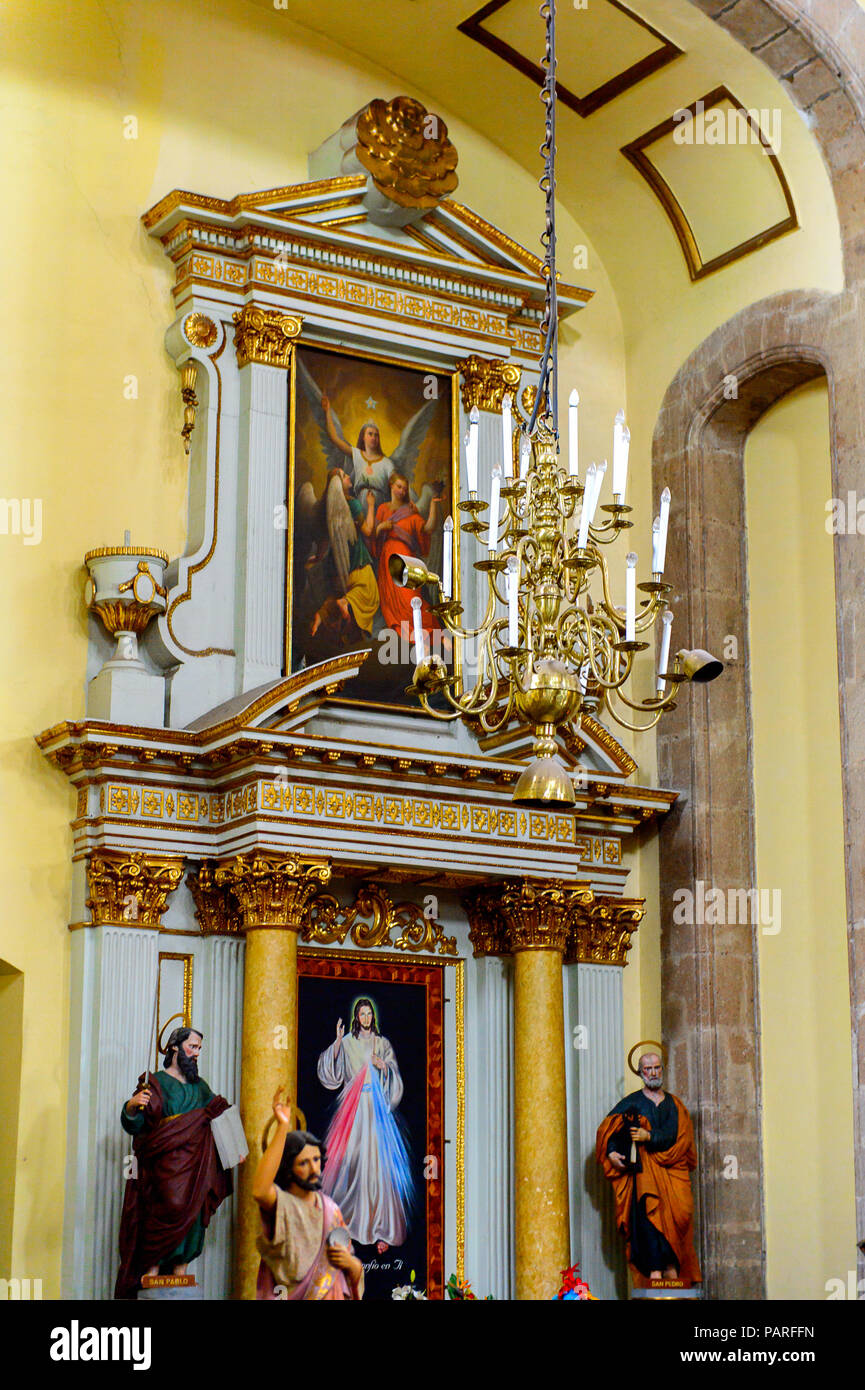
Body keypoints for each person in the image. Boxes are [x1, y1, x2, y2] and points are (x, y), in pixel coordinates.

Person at [115, 1026, 234, 1299]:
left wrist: (233, 1145)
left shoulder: (199, 1086)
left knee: (194, 1212)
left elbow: (219, 1111)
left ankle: (181, 1271)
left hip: (196, 1165)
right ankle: (152, 1270)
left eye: (199, 1049)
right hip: (164, 1164)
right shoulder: (155, 1083)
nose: (196, 1054)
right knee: (166, 1206)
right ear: (174, 1048)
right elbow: (137, 1125)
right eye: (192, 1047)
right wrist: (132, 1106)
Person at [595, 1051, 702, 1289]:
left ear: (662, 1069)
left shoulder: (674, 1104)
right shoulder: (633, 1103)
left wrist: (648, 1135)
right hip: (645, 1176)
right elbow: (610, 1131)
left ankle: (673, 1274)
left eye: (657, 1068)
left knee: (680, 1217)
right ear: (641, 1073)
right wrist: (612, 1153)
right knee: (649, 1222)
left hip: (673, 1173)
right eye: (648, 1069)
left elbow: (677, 1137)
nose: (653, 1073)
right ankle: (654, 1273)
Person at [317, 998, 413, 1254]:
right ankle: (346, 1226)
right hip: (353, 1113)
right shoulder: (348, 1042)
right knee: (351, 1163)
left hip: (377, 1113)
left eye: (369, 1013)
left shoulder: (382, 1044)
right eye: (362, 1013)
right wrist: (337, 1042)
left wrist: (385, 1067)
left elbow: (394, 1077)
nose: (366, 1017)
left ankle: (380, 1228)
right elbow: (331, 1075)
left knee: (379, 1167)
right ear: (356, 1017)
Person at [253, 1088, 364, 1300]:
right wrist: (283, 1126)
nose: (314, 1169)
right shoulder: (282, 1205)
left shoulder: (331, 1210)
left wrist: (352, 1265)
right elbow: (259, 1190)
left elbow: (350, 1269)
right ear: (288, 1168)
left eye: (316, 1160)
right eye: (304, 1163)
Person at [373, 471, 444, 646]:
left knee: (410, 598)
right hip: (388, 560)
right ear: (391, 486)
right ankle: (414, 638)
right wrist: (382, 526)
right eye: (399, 487)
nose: (402, 491)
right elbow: (372, 536)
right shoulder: (383, 509)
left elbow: (428, 528)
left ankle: (435, 634)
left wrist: (434, 503)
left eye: (405, 488)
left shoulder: (411, 513)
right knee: (394, 602)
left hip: (406, 560)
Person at [321, 396, 394, 509]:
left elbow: (396, 485)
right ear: (363, 437)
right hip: (360, 504)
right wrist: (327, 411)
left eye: (376, 435)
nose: (373, 437)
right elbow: (334, 438)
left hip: (380, 506)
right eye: (370, 434)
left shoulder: (387, 463)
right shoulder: (357, 455)